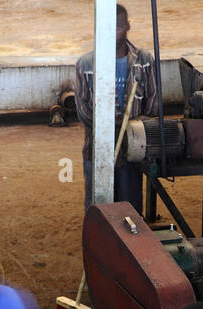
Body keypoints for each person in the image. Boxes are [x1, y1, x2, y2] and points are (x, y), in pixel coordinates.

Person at [74, 4, 159, 211]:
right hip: (97, 148)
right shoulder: (85, 64)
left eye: (118, 27)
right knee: (99, 206)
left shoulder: (144, 61)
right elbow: (83, 109)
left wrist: (133, 132)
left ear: (128, 26)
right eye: (108, 27)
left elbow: (153, 102)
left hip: (134, 148)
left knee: (129, 207)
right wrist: (108, 129)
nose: (113, 32)